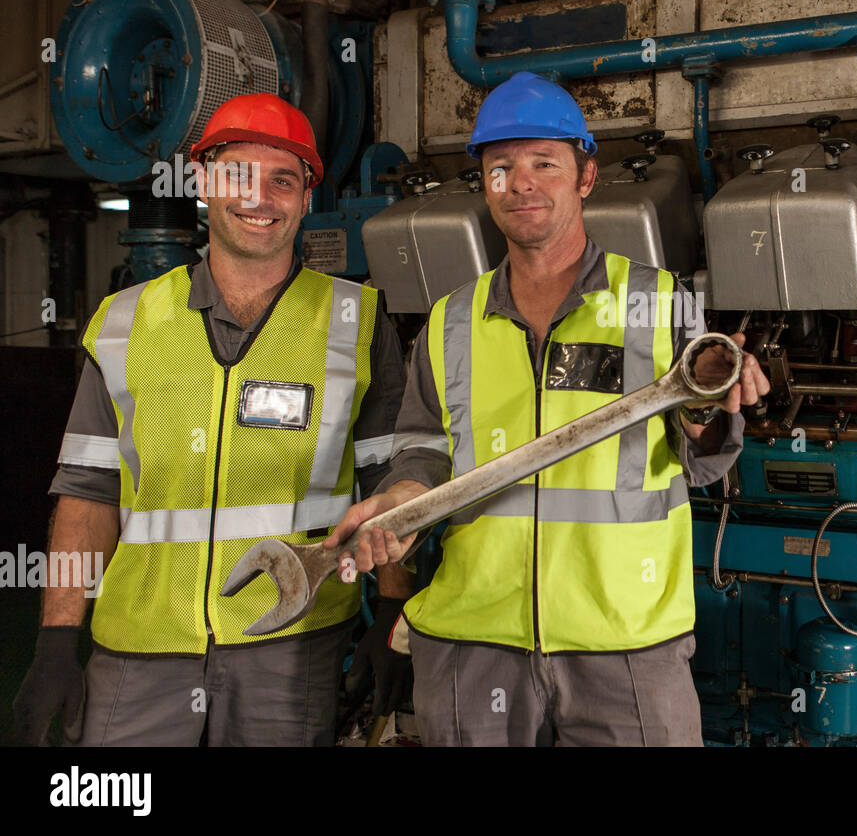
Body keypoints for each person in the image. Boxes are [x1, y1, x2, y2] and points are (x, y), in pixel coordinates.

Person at [326, 72, 770, 746]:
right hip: (474, 639)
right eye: (501, 167)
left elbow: (701, 457)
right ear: (485, 184)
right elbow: (422, 447)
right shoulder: (451, 321)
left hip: (624, 641)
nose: (522, 183)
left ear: (585, 178)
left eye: (544, 163)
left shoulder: (657, 300)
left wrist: (708, 403)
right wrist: (405, 498)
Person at [13, 93, 409, 746]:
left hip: (292, 650)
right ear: (202, 182)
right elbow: (87, 493)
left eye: (284, 179)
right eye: (239, 176)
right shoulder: (124, 323)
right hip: (139, 650)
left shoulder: (358, 323)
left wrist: (390, 611)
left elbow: (388, 483)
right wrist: (57, 642)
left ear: (306, 197)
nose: (262, 197)